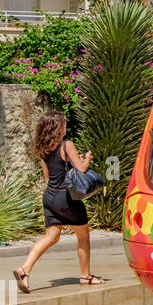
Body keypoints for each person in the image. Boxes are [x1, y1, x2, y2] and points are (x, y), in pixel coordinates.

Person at [14, 112, 101, 293]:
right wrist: (86, 158)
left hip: (50, 197)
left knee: (51, 237)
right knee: (83, 236)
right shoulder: (66, 145)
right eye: (64, 123)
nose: (66, 126)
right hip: (66, 198)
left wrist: (69, 162)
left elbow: (48, 176)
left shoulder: (43, 149)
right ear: (57, 127)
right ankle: (86, 276)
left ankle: (24, 270)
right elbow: (82, 169)